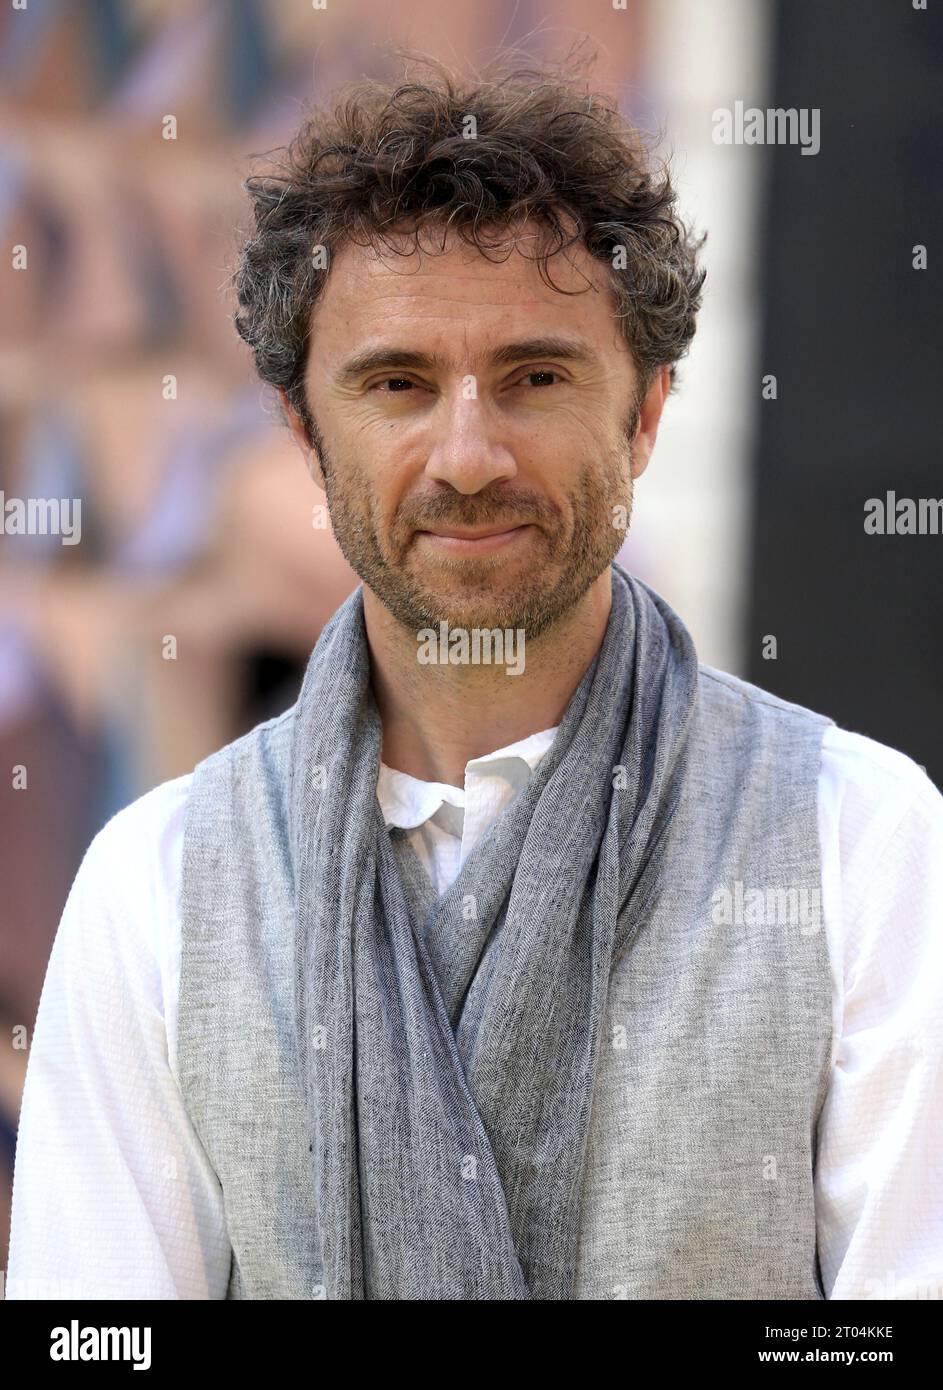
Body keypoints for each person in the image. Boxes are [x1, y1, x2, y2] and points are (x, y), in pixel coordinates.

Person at [7, 51, 943, 1302]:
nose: (467, 454)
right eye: (396, 384)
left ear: (648, 411)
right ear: (303, 430)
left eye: (535, 378)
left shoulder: (863, 842)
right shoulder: (160, 884)